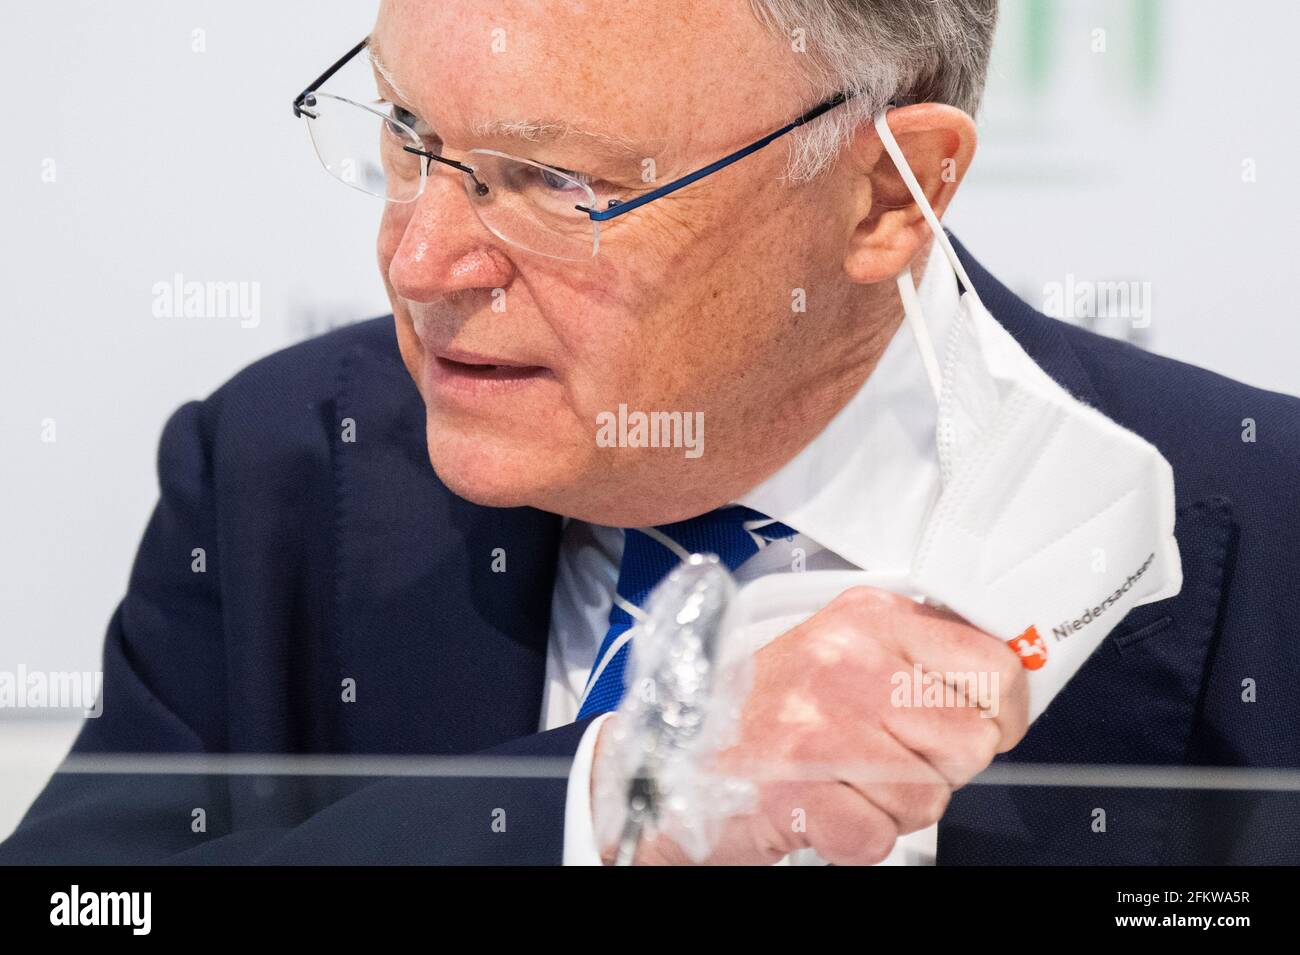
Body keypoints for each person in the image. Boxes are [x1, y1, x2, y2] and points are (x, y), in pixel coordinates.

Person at [3, 0, 1298, 866]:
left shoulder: (1262, 523)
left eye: (564, 183)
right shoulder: (276, 462)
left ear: (887, 196)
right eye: (407, 135)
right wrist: (609, 806)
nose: (417, 258)